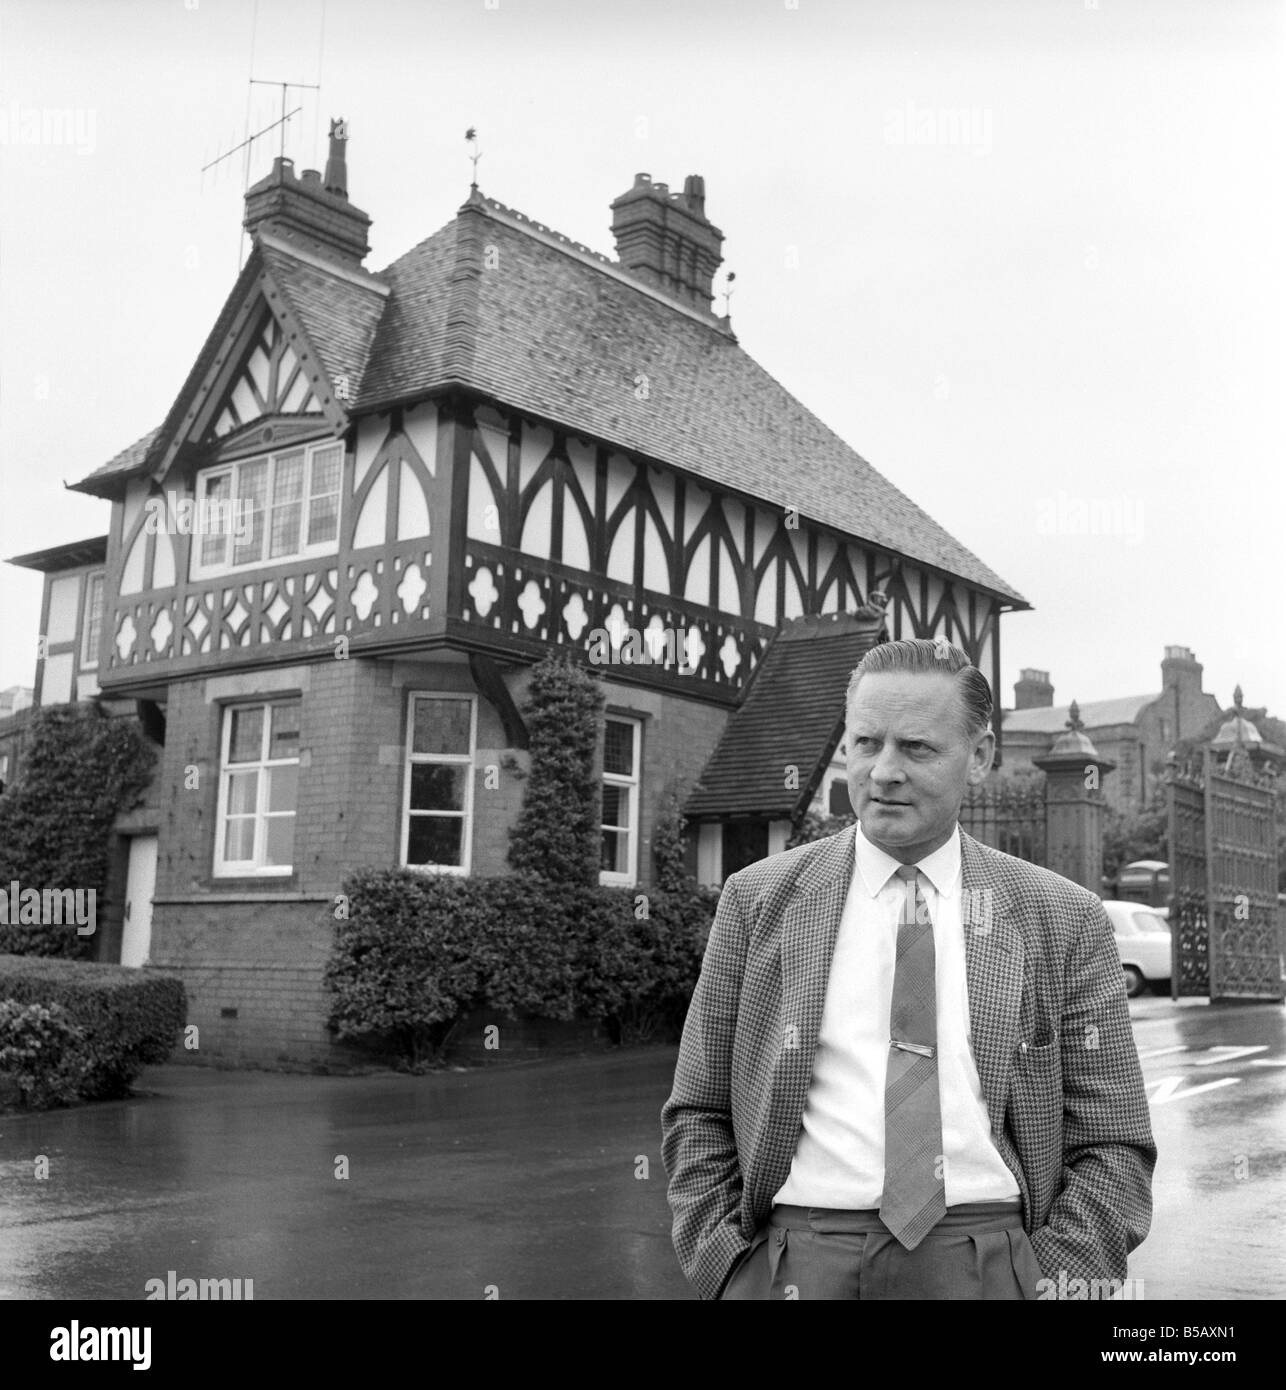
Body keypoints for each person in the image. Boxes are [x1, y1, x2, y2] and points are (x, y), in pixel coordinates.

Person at [661, 637, 1155, 1300]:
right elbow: (698, 1109)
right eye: (866, 744)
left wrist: (1055, 1279)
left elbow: (1114, 1143)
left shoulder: (1063, 918)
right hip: (795, 1263)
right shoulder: (758, 900)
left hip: (990, 1264)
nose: (884, 771)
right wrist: (727, 1270)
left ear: (978, 757)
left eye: (916, 748)